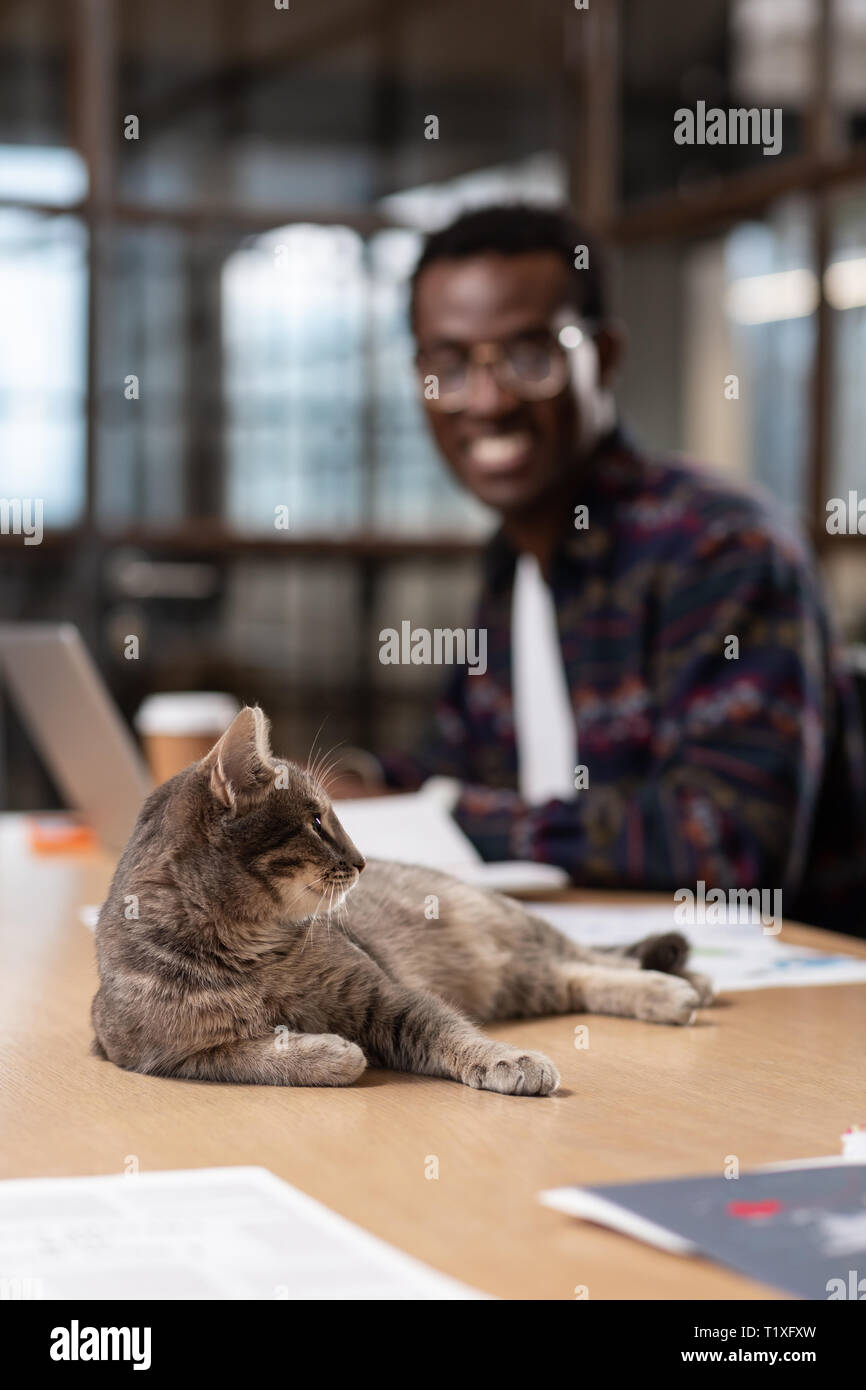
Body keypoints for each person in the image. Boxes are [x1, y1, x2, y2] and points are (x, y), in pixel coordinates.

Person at [340, 203, 866, 935]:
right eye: (450, 365)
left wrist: (444, 813)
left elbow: (729, 844)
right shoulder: (513, 561)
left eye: (530, 357)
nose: (487, 402)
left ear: (606, 356)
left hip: (782, 1005)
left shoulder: (720, 546)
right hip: (600, 972)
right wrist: (347, 787)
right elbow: (463, 764)